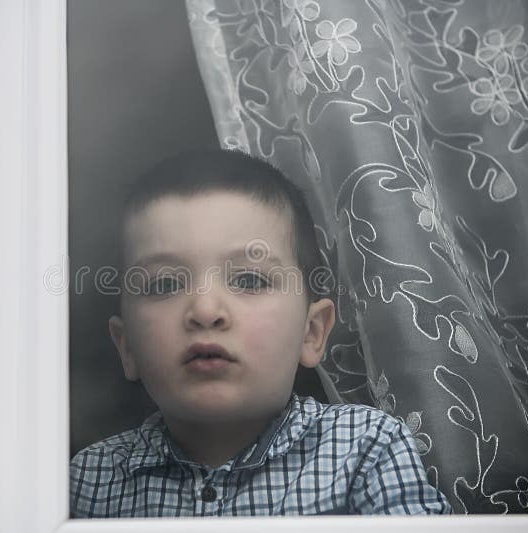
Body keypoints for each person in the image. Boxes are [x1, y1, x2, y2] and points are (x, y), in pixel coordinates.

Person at [70, 149, 451, 517]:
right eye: (165, 284)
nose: (205, 311)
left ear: (312, 333)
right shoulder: (89, 481)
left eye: (249, 279)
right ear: (127, 347)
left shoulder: (364, 449)